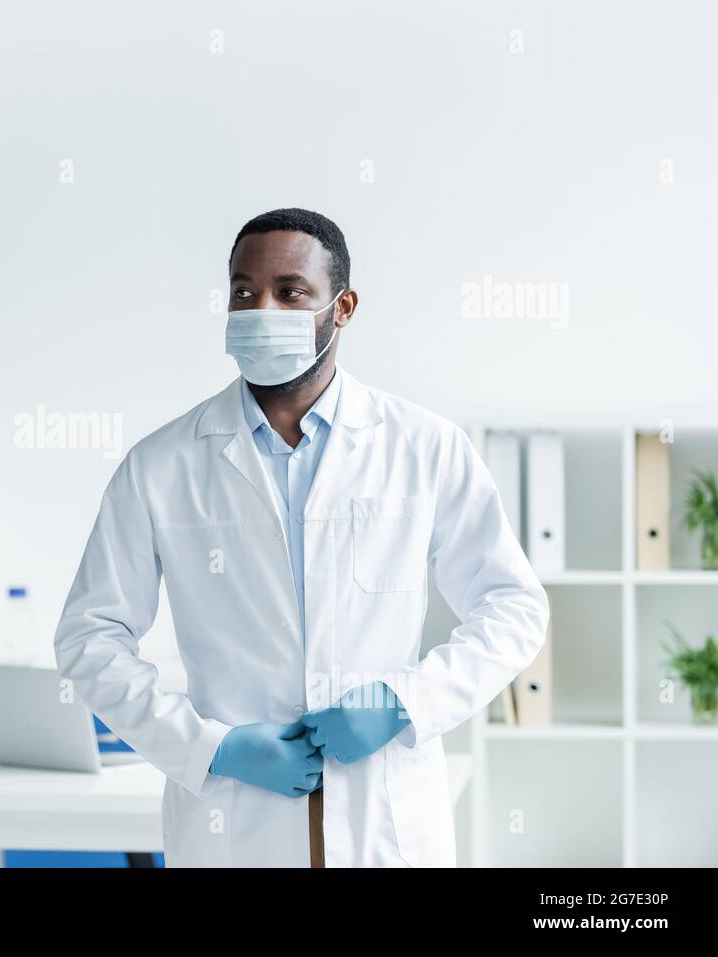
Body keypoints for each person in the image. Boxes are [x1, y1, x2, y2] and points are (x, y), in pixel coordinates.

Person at [53, 208, 548, 867]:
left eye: (290, 291)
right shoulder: (161, 465)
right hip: (232, 821)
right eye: (243, 290)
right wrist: (210, 747)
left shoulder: (422, 447)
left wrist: (404, 703)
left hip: (385, 819)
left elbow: (514, 608)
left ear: (342, 307)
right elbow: (90, 638)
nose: (262, 309)